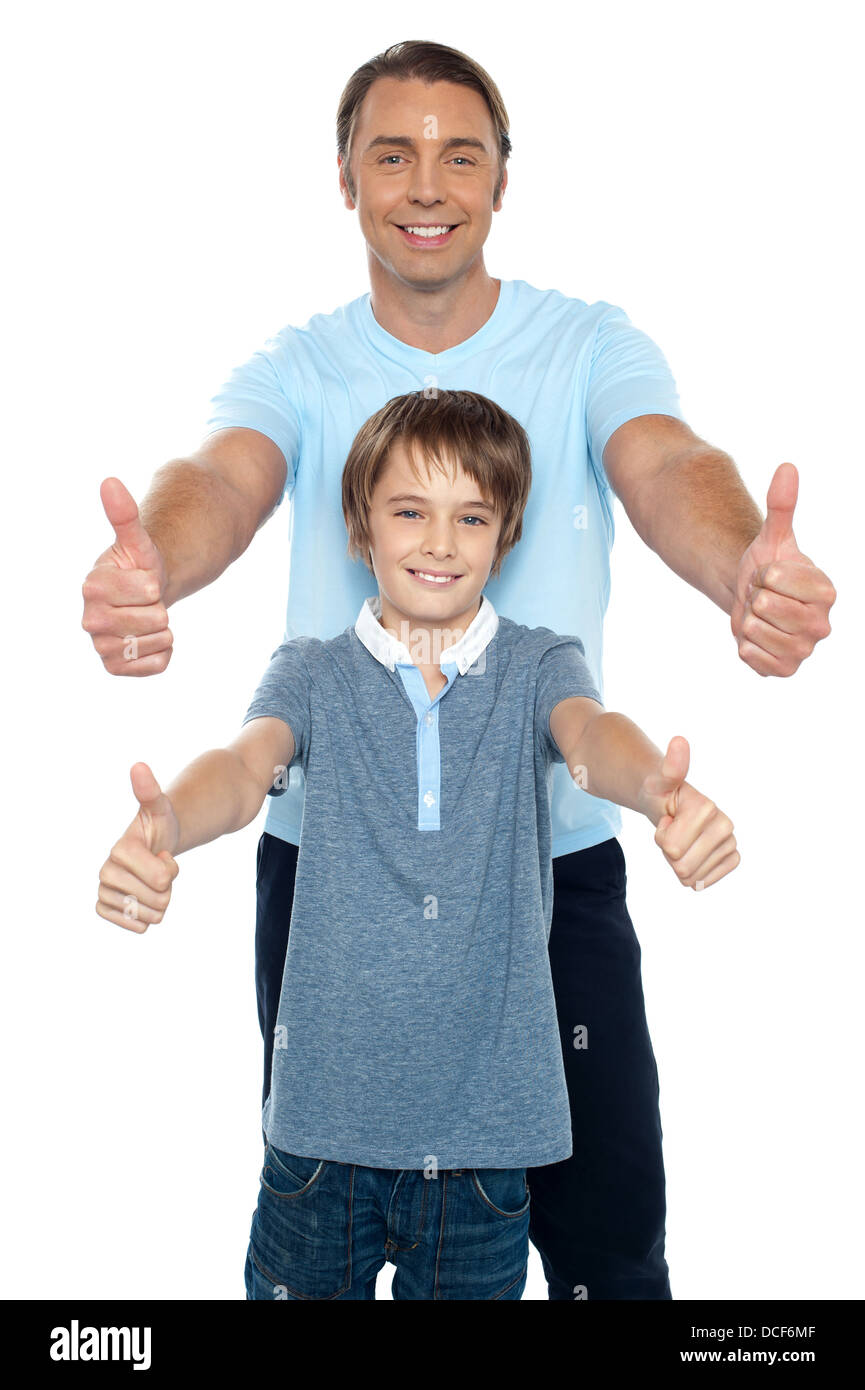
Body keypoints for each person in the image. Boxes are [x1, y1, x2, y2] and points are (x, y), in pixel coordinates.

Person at [81, 40, 835, 1300]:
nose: (426, 183)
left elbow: (664, 468)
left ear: (499, 181)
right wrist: (154, 558)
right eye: (392, 153)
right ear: (345, 179)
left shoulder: (586, 344)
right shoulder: (298, 368)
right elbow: (220, 477)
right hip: (334, 880)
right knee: (327, 1203)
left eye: (458, 153)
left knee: (607, 1239)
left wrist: (736, 571)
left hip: (551, 875)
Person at [96, 389, 740, 1300]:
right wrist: (167, 822)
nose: (439, 542)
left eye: (469, 516)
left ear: (503, 535)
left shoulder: (537, 663)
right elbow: (244, 770)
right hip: (318, 1146)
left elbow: (592, 737)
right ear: (361, 525)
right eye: (410, 511)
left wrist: (655, 791)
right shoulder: (311, 672)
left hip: (483, 1155)